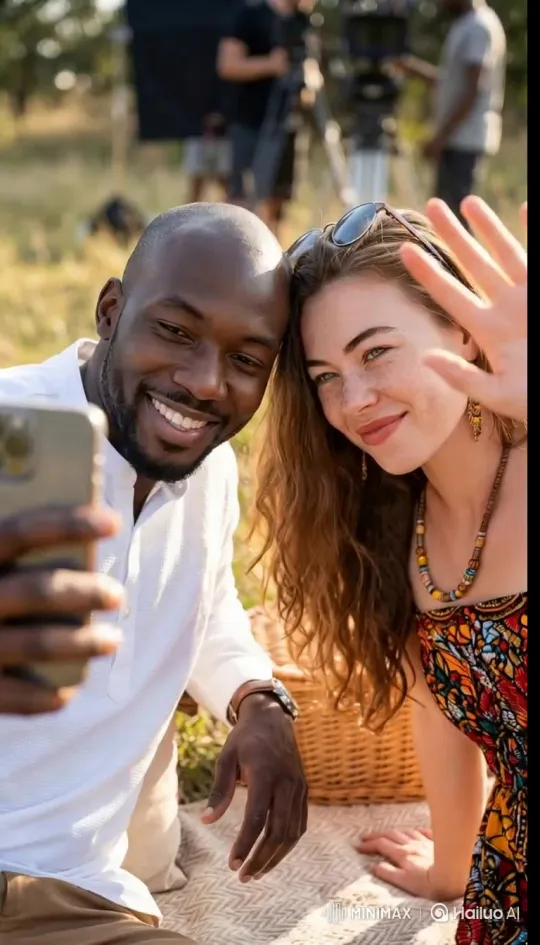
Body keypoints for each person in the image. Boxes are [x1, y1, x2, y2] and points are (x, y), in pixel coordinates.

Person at [0, 202, 308, 944]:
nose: (205, 382)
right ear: (112, 310)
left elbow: (202, 596)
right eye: (174, 331)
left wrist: (256, 697)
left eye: (246, 359)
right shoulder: (13, 421)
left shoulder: (208, 473)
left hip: (71, 895)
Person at [252, 196, 527, 945]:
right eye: (326, 375)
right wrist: (452, 867)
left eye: (376, 352)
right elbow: (444, 711)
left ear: (464, 332)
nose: (355, 400)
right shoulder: (392, 533)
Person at [396, 0, 507, 225]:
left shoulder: (479, 26)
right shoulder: (465, 24)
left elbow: (473, 91)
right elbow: (452, 83)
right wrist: (413, 69)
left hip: (464, 139)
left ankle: (461, 262)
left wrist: (440, 138)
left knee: (455, 219)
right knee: (445, 215)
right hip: (456, 137)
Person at [217, 0, 311, 239]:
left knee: (279, 200)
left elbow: (309, 66)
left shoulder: (303, 21)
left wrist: (308, 84)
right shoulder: (249, 15)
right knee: (243, 198)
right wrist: (271, 65)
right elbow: (227, 65)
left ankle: (275, 263)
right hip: (252, 121)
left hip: (289, 123)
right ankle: (237, 251)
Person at [183, 112, 231, 204]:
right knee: (197, 183)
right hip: (197, 130)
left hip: (224, 132)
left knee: (227, 183)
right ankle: (192, 214)